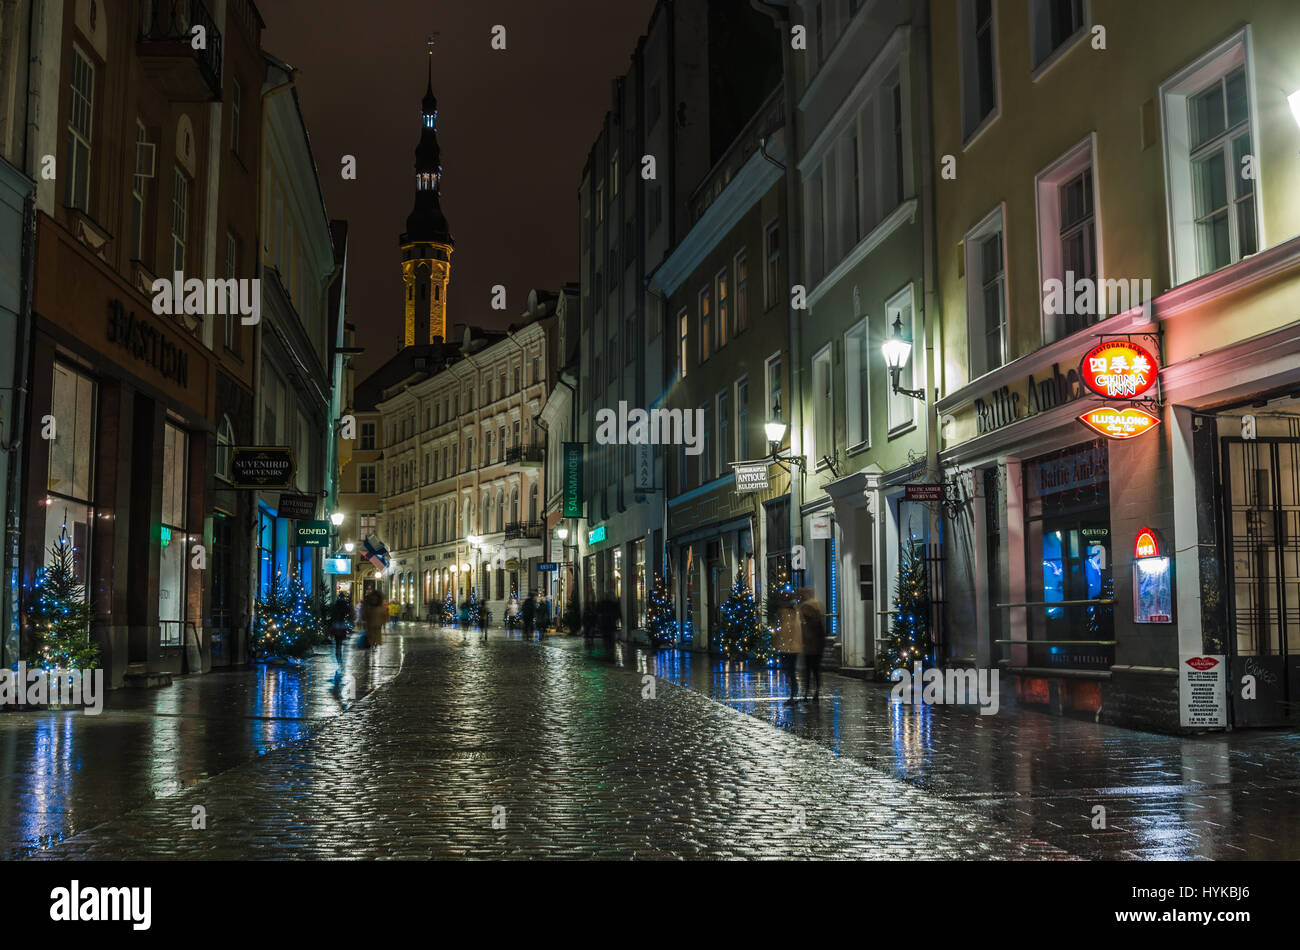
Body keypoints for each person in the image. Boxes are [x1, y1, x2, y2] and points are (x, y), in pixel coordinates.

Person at [771, 589, 803, 705]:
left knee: (790, 671)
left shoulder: (789, 613)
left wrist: (778, 642)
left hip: (790, 647)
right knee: (790, 671)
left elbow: (785, 631)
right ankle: (793, 694)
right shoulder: (792, 612)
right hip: (790, 647)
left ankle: (793, 695)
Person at [798, 587, 827, 701]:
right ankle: (813, 692)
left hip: (812, 646)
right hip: (814, 646)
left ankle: (810, 692)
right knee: (813, 670)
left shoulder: (806, 608)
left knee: (811, 670)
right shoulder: (815, 606)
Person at [329, 596, 351, 664]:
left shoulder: (335, 607)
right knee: (339, 642)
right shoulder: (344, 607)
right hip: (341, 626)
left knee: (337, 641)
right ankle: (339, 655)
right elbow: (348, 612)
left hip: (336, 626)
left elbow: (332, 616)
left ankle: (338, 654)